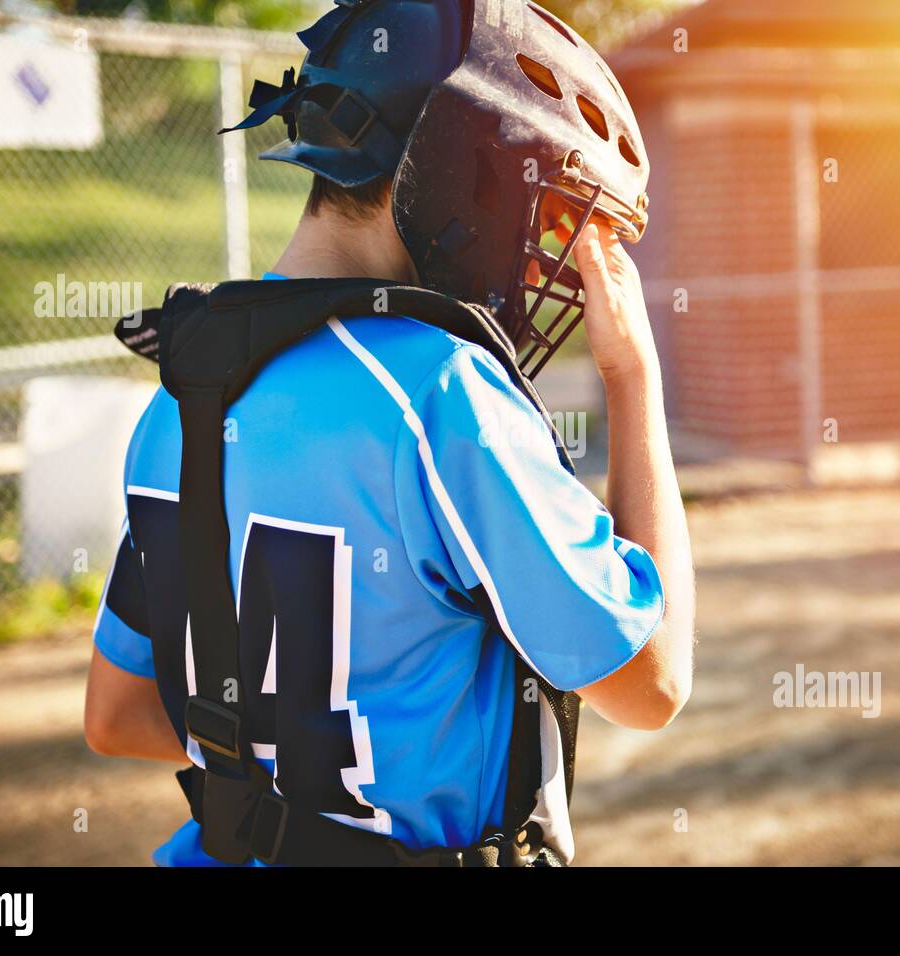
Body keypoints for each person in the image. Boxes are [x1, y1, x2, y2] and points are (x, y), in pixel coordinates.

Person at [83, 0, 693, 867]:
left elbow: (118, 716)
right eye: (535, 209)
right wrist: (635, 380)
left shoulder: (184, 391)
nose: (534, 257)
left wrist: (285, 775)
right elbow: (652, 681)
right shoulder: (444, 392)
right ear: (462, 169)